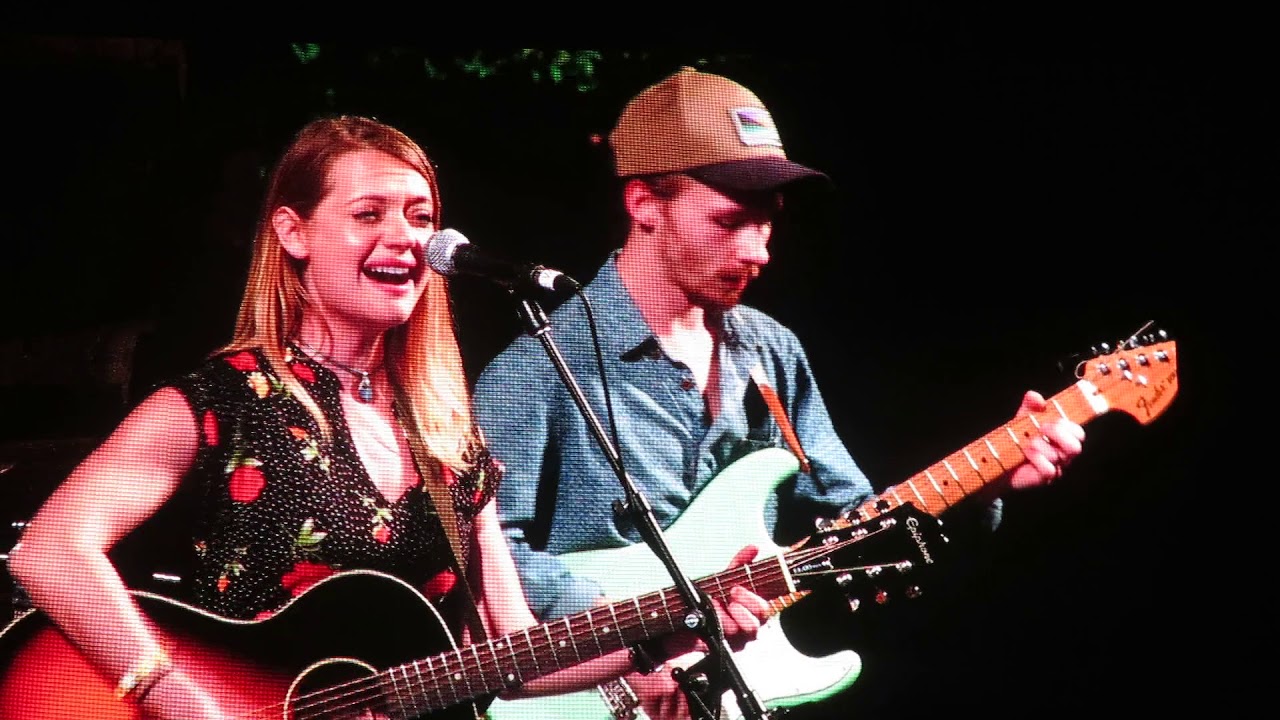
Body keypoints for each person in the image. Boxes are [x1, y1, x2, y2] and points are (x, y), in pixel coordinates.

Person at [4, 114, 772, 720]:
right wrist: (181, 702)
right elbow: (48, 552)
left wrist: (668, 628)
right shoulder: (224, 403)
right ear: (292, 234)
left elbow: (506, 656)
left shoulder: (446, 436)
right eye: (368, 213)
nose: (405, 237)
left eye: (419, 215)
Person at [471, 67, 1087, 720]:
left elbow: (855, 522)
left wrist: (986, 482)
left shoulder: (771, 351)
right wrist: (636, 636)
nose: (758, 249)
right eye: (730, 221)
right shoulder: (535, 368)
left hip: (738, 692)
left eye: (767, 224)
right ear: (644, 204)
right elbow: (490, 555)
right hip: (593, 693)